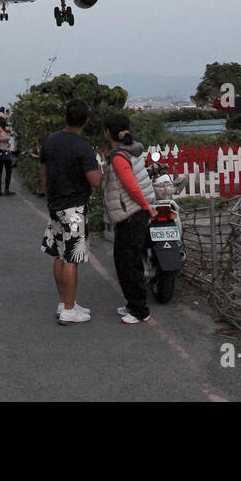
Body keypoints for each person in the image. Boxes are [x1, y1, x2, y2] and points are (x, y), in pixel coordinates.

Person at [39, 99, 102, 325]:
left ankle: (65, 302)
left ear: (65, 117)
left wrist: (49, 195)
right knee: (72, 258)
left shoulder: (51, 141)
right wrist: (100, 170)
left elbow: (43, 172)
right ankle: (68, 309)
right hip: (74, 207)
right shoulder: (82, 146)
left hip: (54, 204)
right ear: (85, 121)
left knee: (58, 254)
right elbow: (95, 181)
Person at [102, 113, 155, 324]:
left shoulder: (118, 156)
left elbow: (130, 185)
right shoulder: (131, 150)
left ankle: (140, 310)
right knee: (125, 259)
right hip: (133, 212)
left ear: (108, 133)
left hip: (131, 213)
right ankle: (133, 304)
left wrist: (145, 206)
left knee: (129, 262)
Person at [0, 107, 14, 195]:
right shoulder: (2, 130)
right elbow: (4, 139)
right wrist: (7, 138)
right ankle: (6, 189)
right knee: (8, 172)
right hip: (5, 152)